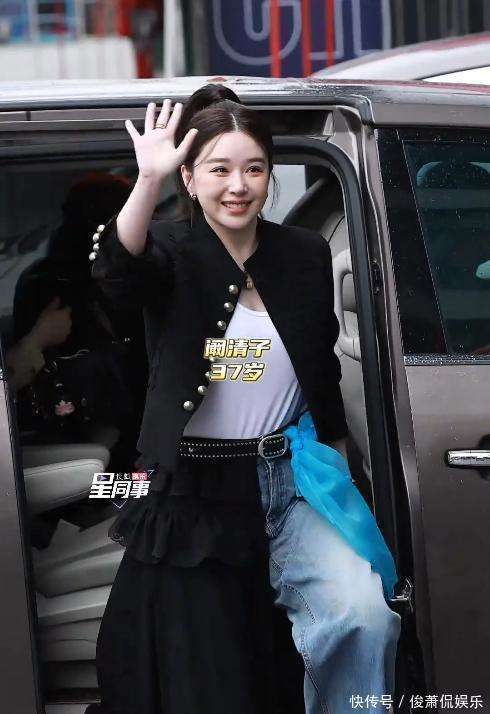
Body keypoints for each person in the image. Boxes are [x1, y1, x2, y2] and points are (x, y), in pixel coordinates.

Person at [88, 84, 401, 714]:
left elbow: (321, 373)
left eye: (254, 168)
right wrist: (146, 180)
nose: (238, 185)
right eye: (219, 169)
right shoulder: (170, 250)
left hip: (296, 478)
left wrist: (344, 471)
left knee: (364, 617)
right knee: (220, 676)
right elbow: (116, 272)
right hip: (196, 492)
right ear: (189, 177)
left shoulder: (303, 253)